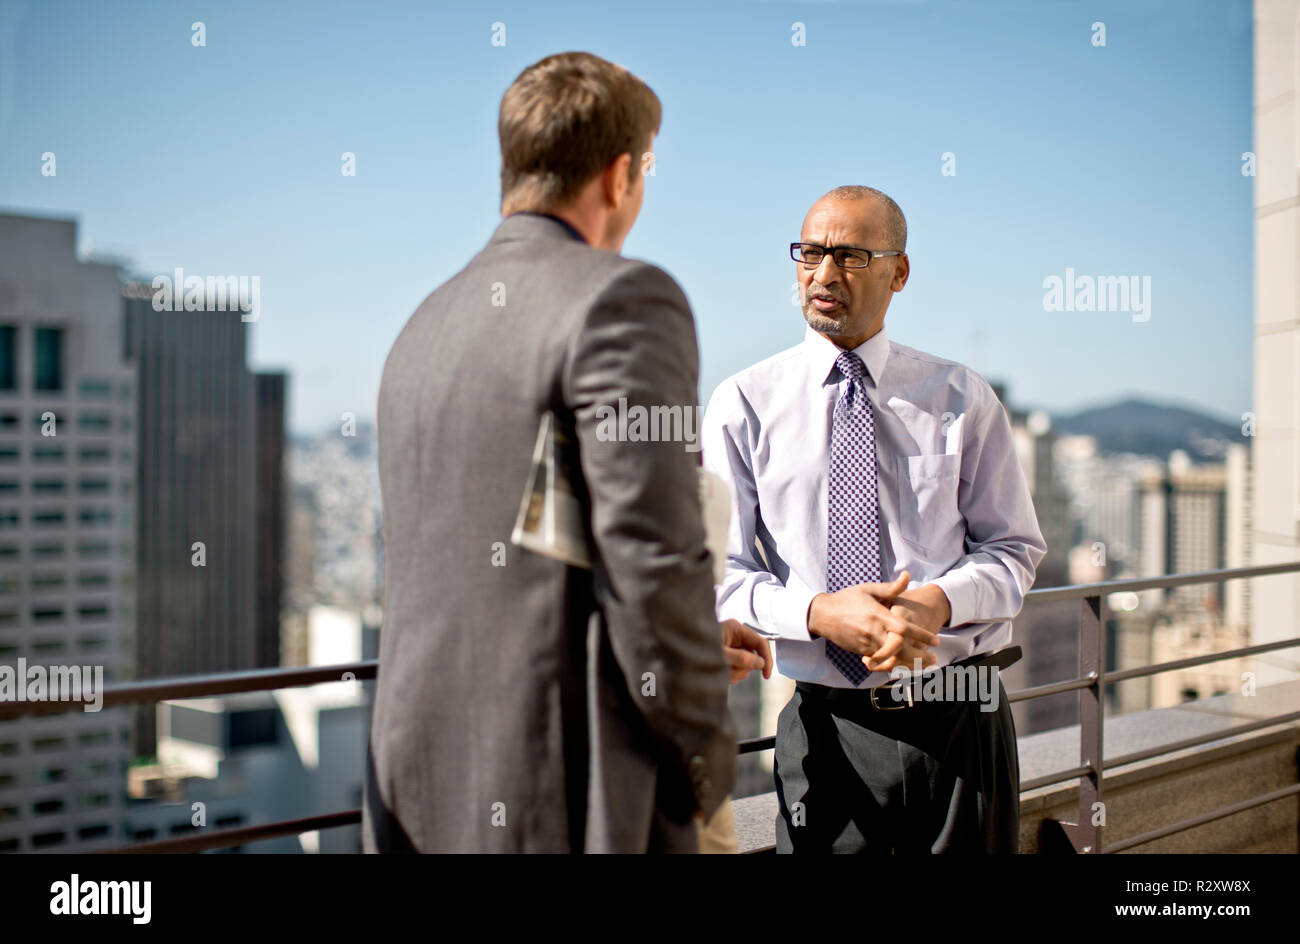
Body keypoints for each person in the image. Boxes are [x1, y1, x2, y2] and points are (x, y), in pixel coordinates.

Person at [364, 51, 768, 853]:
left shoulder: (423, 325)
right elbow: (650, 561)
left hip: (419, 783)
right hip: (570, 788)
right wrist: (705, 767)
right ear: (619, 177)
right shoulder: (622, 300)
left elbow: (517, 556)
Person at [701, 185, 1047, 853]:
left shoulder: (960, 397)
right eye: (810, 253)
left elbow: (1013, 549)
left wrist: (938, 604)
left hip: (961, 724)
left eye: (851, 256)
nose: (824, 275)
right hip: (825, 731)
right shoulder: (743, 403)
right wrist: (817, 614)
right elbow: (722, 574)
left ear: (899, 272)